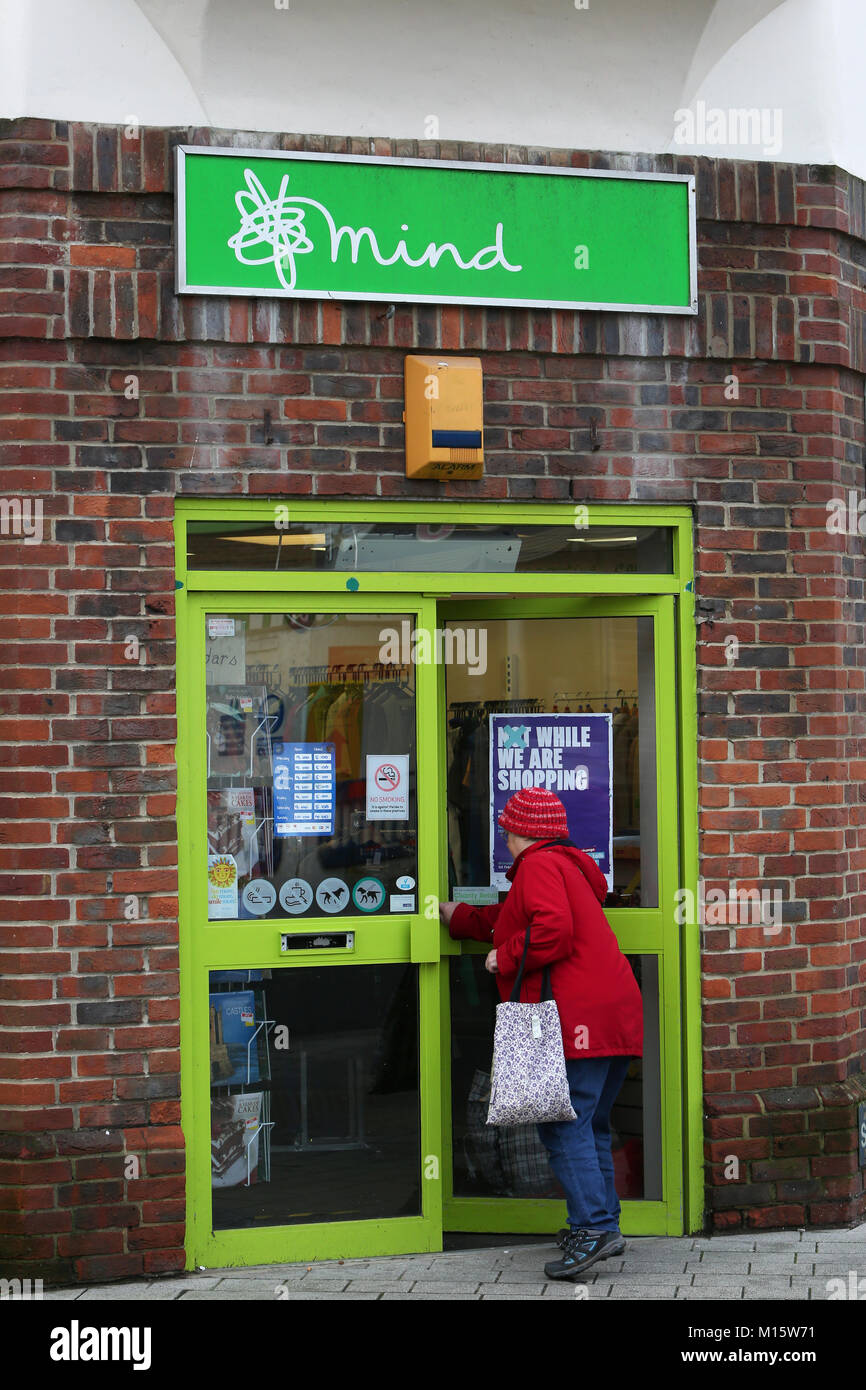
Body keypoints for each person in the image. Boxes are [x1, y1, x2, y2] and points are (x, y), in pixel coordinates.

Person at [439, 786, 643, 1281]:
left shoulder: (538, 866)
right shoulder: (566, 864)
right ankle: (602, 1224)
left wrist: (502, 957)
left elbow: (552, 929)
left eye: (506, 830)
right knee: (587, 1122)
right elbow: (509, 919)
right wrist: (459, 917)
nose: (503, 838)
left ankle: (593, 1229)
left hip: (573, 1020)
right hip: (611, 1015)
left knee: (561, 1125)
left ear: (518, 831)